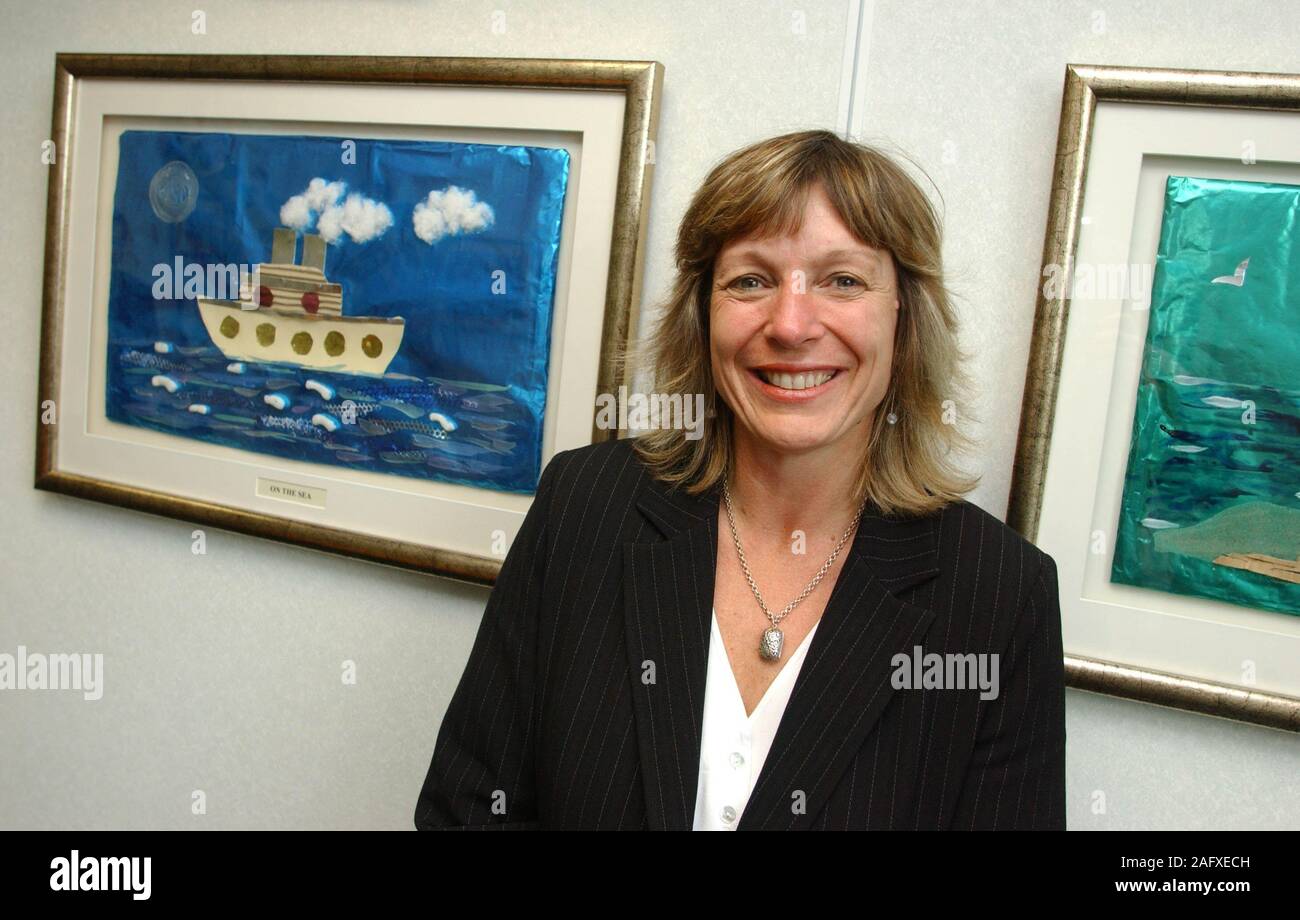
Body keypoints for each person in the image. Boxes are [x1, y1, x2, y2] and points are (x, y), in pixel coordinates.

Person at [414, 129, 1066, 830]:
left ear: (903, 314)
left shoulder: (1000, 596)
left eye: (842, 280)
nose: (790, 325)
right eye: (750, 280)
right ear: (702, 314)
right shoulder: (584, 505)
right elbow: (468, 809)